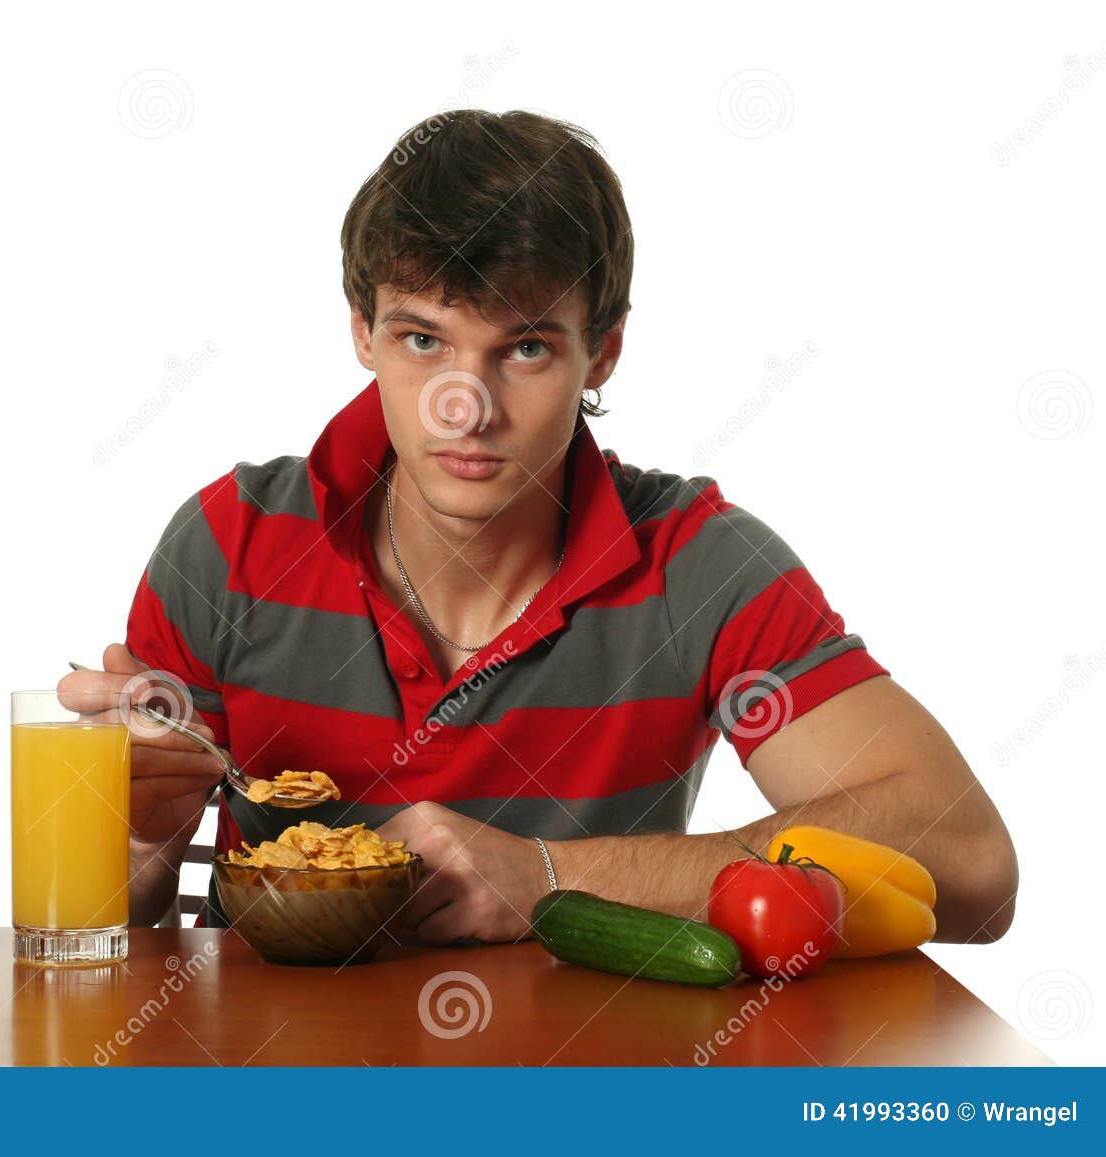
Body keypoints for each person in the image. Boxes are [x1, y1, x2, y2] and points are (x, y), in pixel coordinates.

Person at [60, 108, 1017, 945]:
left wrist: (553, 879)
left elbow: (970, 864)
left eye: (524, 346)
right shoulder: (231, 542)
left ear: (602, 351)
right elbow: (98, 958)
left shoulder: (699, 567)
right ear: (363, 332)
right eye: (423, 339)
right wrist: (143, 842)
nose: (463, 409)